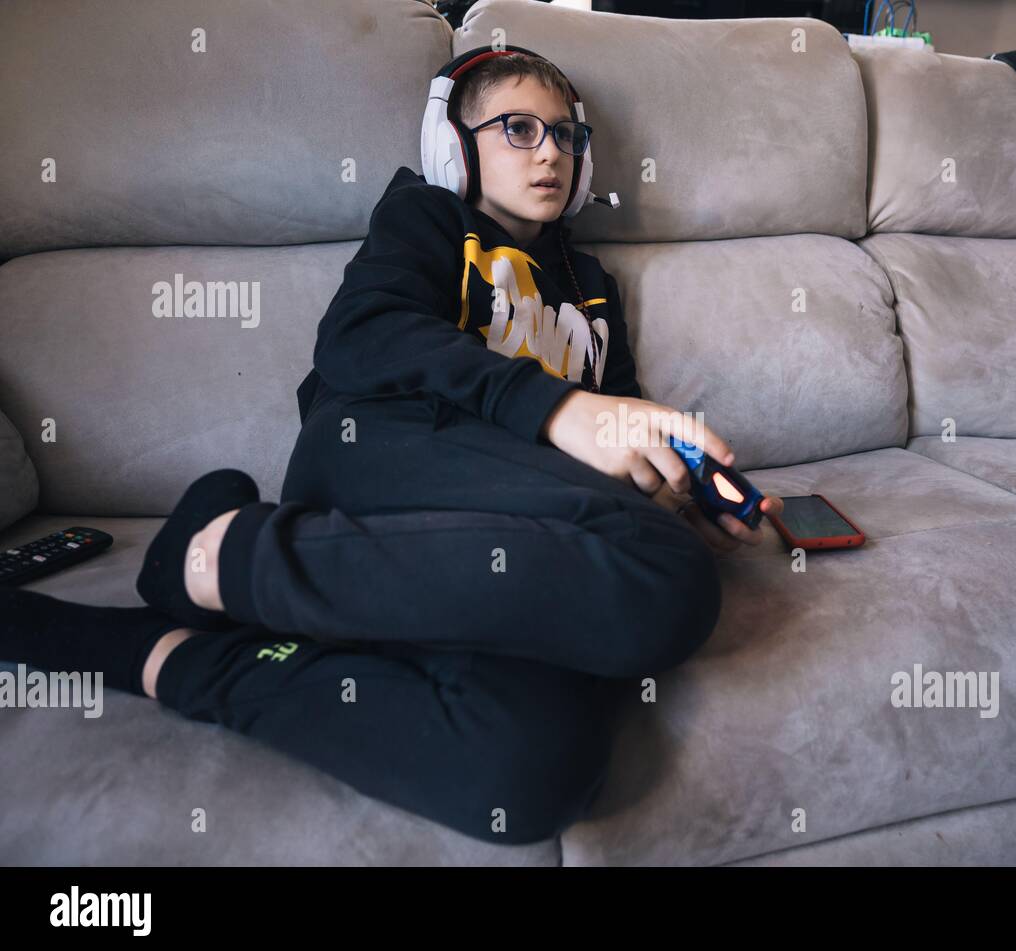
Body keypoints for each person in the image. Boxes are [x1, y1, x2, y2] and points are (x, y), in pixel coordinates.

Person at [0, 50, 783, 846]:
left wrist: (679, 485)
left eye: (566, 135)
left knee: (530, 771)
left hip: (511, 526)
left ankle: (172, 655)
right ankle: (233, 557)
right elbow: (361, 336)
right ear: (453, 145)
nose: (550, 151)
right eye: (518, 129)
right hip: (387, 448)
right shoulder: (428, 218)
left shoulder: (591, 284)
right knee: (665, 581)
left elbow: (625, 414)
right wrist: (558, 409)